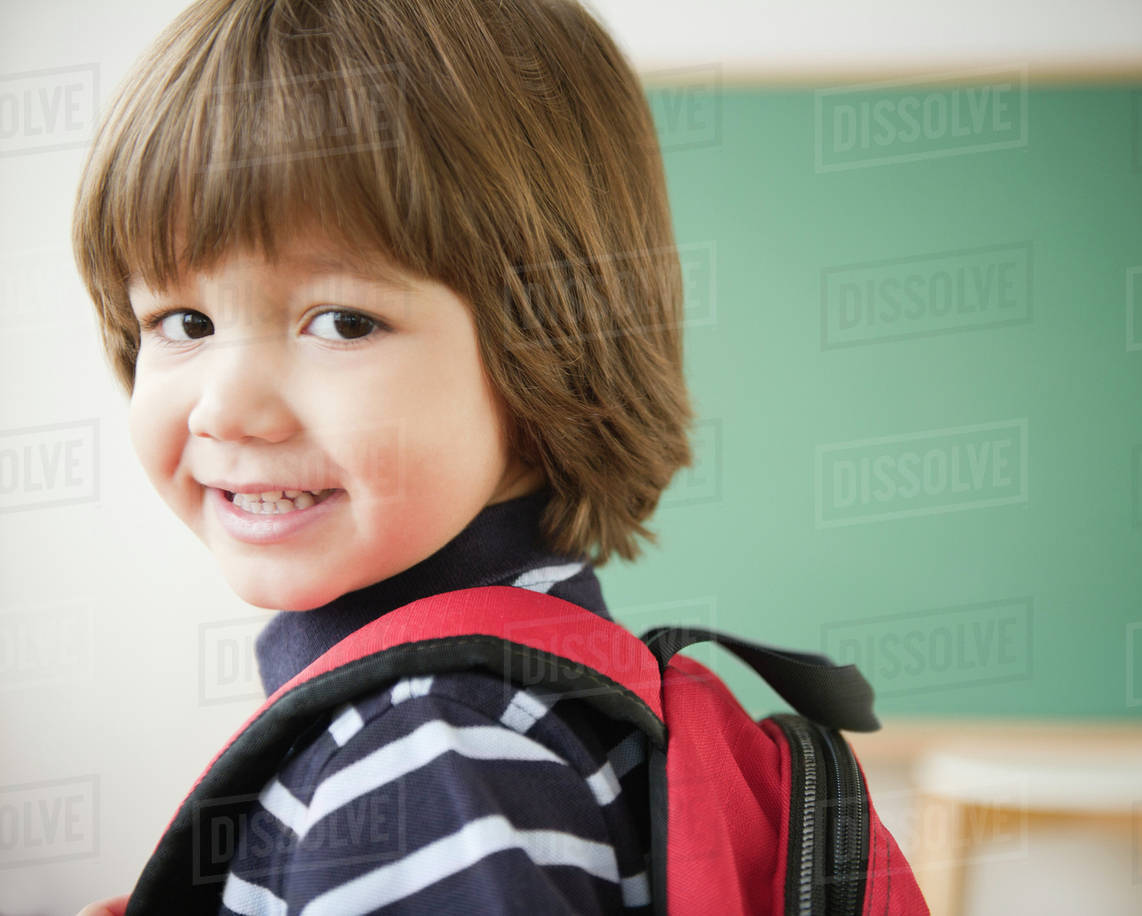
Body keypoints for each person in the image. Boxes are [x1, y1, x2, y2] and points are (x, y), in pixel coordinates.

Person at [70, 0, 694, 912]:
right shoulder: (510, 700)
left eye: (342, 321)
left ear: (551, 349)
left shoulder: (425, 758)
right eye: (184, 322)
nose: (227, 408)